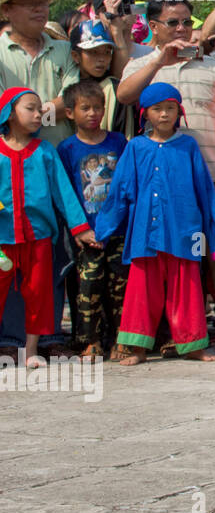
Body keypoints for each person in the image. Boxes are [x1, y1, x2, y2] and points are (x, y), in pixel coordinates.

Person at [119, 0, 215, 355]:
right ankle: (175, 335)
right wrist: (158, 61)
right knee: (173, 261)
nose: (182, 29)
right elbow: (123, 95)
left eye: (186, 22)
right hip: (165, 187)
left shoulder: (213, 67)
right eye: (173, 22)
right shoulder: (141, 64)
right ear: (154, 27)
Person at [94, 83, 215, 365]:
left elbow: (205, 192)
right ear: (145, 114)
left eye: (170, 108)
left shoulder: (188, 145)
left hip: (186, 231)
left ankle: (192, 344)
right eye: (158, 109)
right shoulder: (135, 147)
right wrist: (103, 230)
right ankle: (138, 348)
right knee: (142, 290)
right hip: (145, 231)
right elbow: (120, 190)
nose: (165, 115)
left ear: (179, 112)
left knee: (189, 287)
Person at [0, 0, 80, 360]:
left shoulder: (63, 51)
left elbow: (73, 100)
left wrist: (28, 112)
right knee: (11, 257)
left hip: (57, 161)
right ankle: (12, 338)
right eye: (28, 2)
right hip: (10, 171)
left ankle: (46, 335)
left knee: (56, 254)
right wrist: (50, 108)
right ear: (8, 10)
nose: (39, 8)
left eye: (43, 1)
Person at [0, 87, 95, 367]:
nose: (39, 113)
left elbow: (63, 192)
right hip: (2, 240)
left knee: (39, 294)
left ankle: (30, 352)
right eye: (30, 108)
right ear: (9, 113)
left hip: (39, 238)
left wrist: (79, 228)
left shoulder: (44, 151)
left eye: (40, 108)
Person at [57, 80, 129, 357]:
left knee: (119, 287)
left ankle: (120, 339)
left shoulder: (118, 142)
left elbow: (126, 185)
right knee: (89, 287)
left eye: (98, 107)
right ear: (70, 112)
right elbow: (65, 193)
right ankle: (89, 341)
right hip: (87, 233)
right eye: (85, 108)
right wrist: (79, 230)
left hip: (118, 230)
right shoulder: (66, 149)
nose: (92, 113)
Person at [69, 20, 131, 136]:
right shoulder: (67, 83)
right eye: (93, 52)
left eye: (107, 52)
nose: (102, 59)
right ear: (76, 56)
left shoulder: (112, 87)